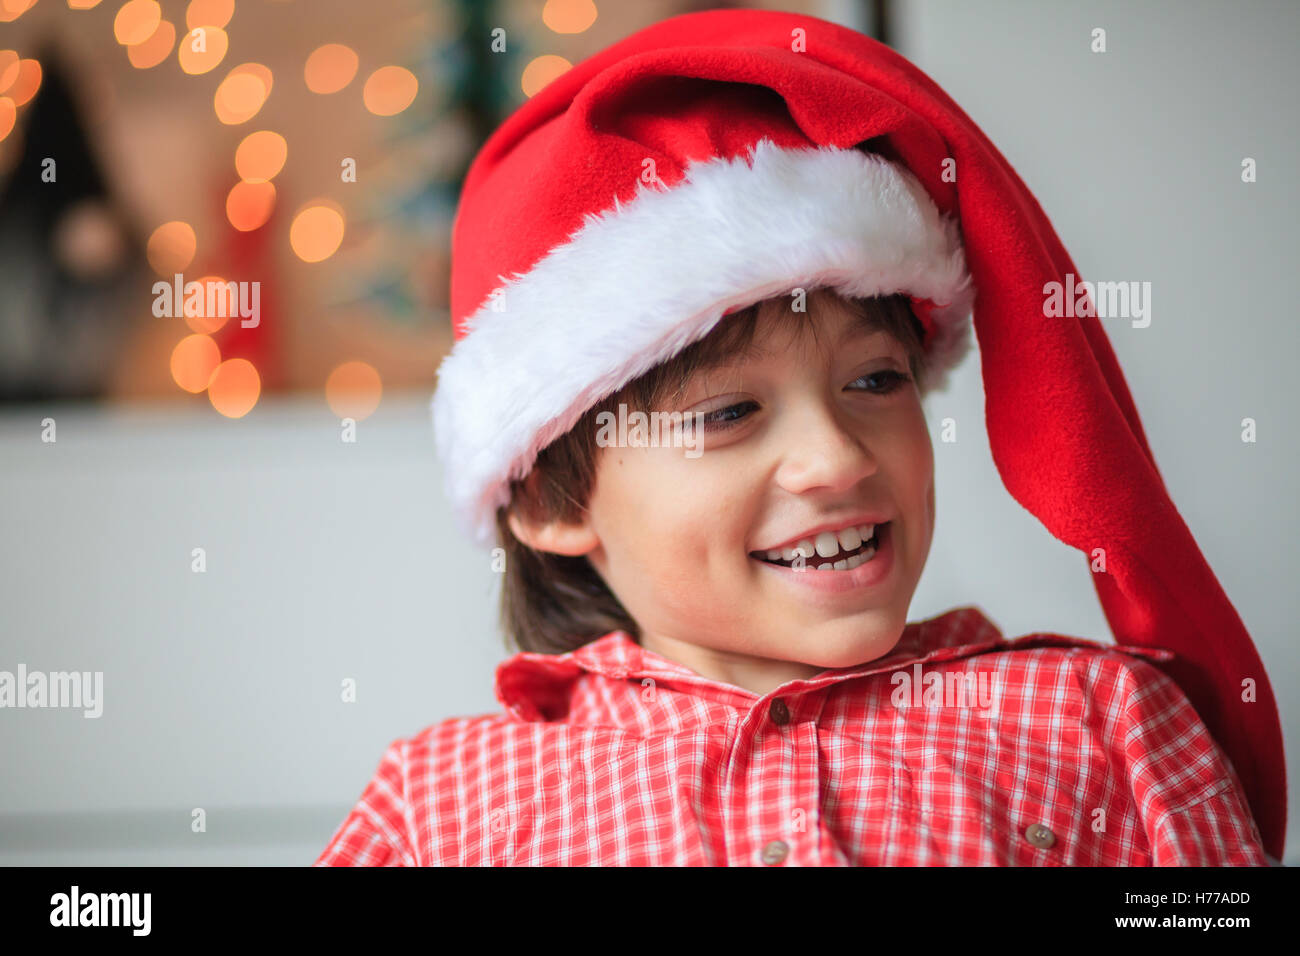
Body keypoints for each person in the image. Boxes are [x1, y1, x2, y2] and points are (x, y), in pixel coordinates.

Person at [315, 7, 1285, 866]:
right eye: (728, 413)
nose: (837, 457)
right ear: (552, 498)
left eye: (874, 380)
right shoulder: (439, 811)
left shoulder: (1104, 724)